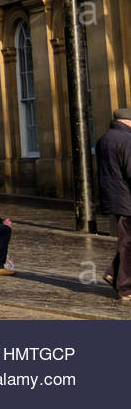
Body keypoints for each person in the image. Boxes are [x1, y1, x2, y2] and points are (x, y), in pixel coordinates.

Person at [95, 107, 131, 301]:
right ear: (127, 122)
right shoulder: (127, 140)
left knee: (127, 240)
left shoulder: (104, 139)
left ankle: (113, 272)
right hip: (127, 199)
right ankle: (125, 287)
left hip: (113, 197)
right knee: (128, 243)